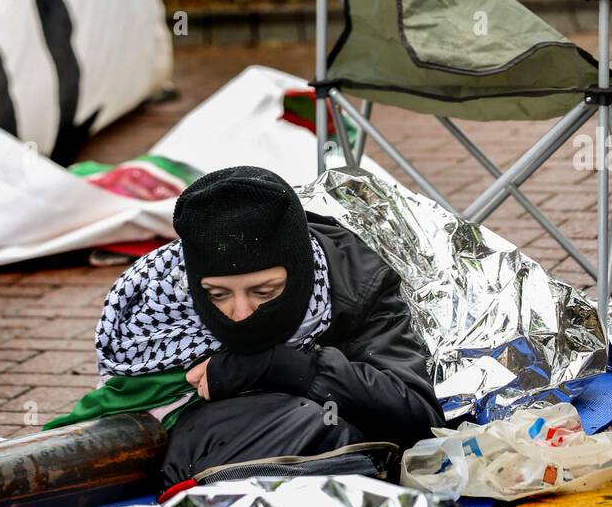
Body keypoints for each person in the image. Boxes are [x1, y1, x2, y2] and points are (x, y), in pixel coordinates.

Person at [153, 165, 444, 488]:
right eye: (218, 295)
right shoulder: (160, 306)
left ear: (300, 271)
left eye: (264, 292)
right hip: (217, 462)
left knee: (321, 422)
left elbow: (416, 418)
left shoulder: (354, 286)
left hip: (326, 439)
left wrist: (289, 367)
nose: (241, 313)